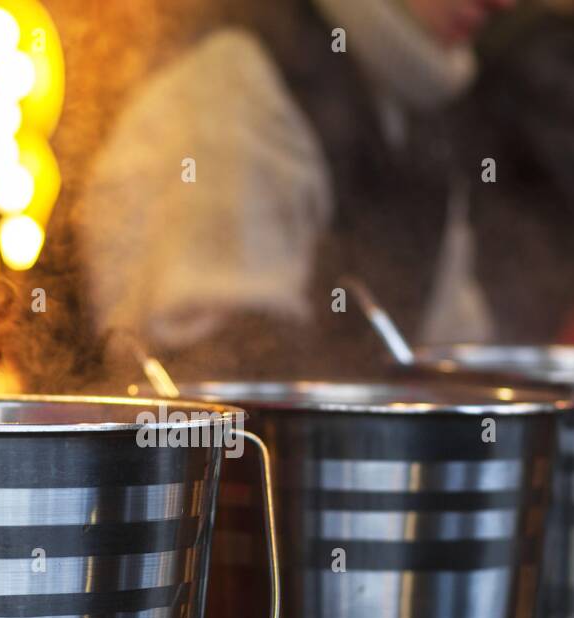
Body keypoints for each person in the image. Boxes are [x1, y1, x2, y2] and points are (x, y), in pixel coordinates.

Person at [77, 0, 517, 381]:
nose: (503, 4)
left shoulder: (420, 108)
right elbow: (225, 377)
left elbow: (452, 348)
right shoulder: (239, 82)